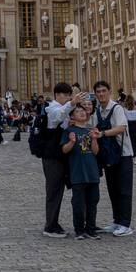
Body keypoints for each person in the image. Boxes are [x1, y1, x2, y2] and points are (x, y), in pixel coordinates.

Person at [38, 82, 80, 237]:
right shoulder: (52, 109)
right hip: (52, 156)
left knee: (58, 189)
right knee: (54, 190)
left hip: (59, 156)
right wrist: (72, 103)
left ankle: (53, 222)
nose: (69, 98)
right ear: (59, 95)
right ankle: (50, 226)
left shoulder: (60, 109)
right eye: (67, 95)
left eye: (70, 95)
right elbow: (58, 116)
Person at [93, 80, 134, 236]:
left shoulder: (117, 109)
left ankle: (125, 224)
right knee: (113, 189)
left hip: (123, 154)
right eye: (98, 91)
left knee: (124, 189)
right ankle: (117, 220)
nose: (101, 94)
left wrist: (103, 133)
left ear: (110, 92)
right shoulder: (98, 111)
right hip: (109, 155)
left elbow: (122, 128)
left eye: (104, 91)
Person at [61, 98, 101, 239]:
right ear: (72, 116)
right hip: (77, 173)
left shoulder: (92, 129)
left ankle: (91, 229)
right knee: (78, 204)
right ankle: (79, 230)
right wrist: (72, 142)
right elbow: (64, 150)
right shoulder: (69, 131)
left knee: (93, 202)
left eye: (83, 111)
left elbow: (95, 152)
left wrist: (95, 139)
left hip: (92, 172)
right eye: (77, 111)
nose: (81, 113)